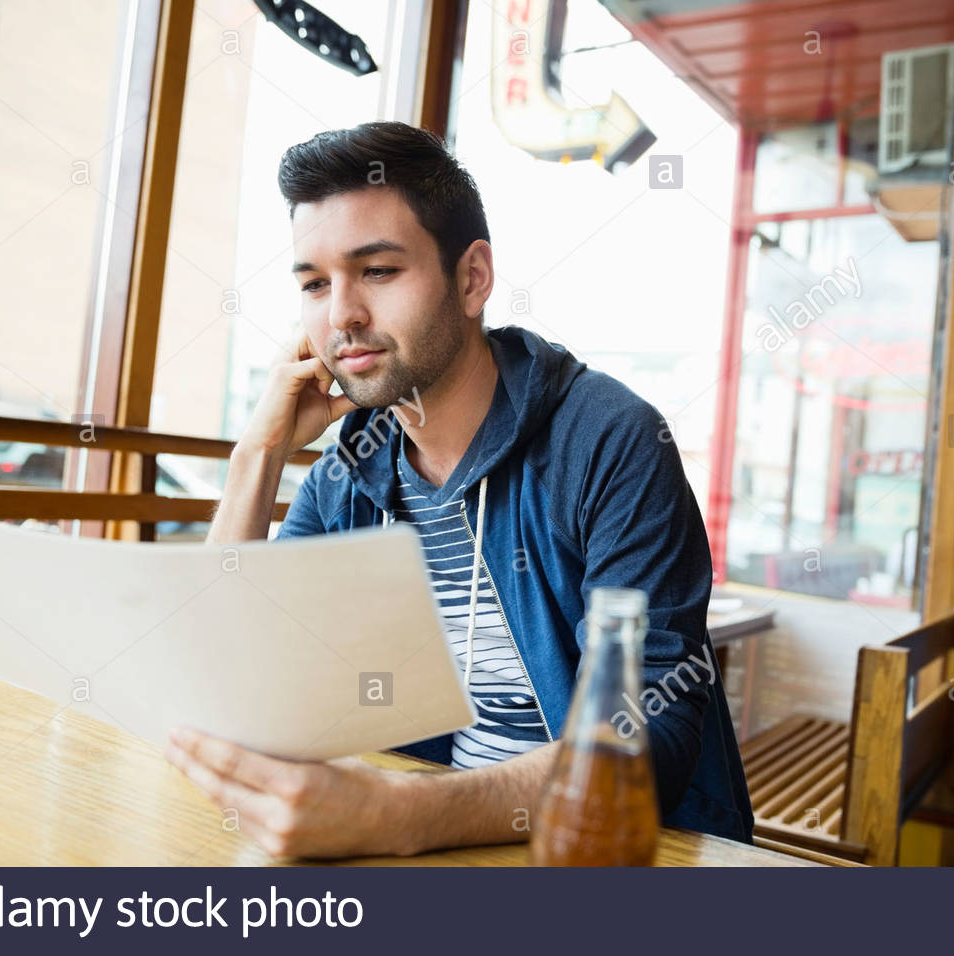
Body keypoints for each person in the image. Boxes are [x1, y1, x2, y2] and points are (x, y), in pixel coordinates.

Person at [166, 120, 753, 859]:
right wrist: (260, 452)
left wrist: (402, 814)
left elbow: (645, 735)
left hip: (608, 855)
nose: (339, 315)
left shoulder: (609, 439)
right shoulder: (348, 474)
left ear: (472, 278)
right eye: (314, 283)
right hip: (441, 850)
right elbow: (232, 677)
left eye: (376, 271)